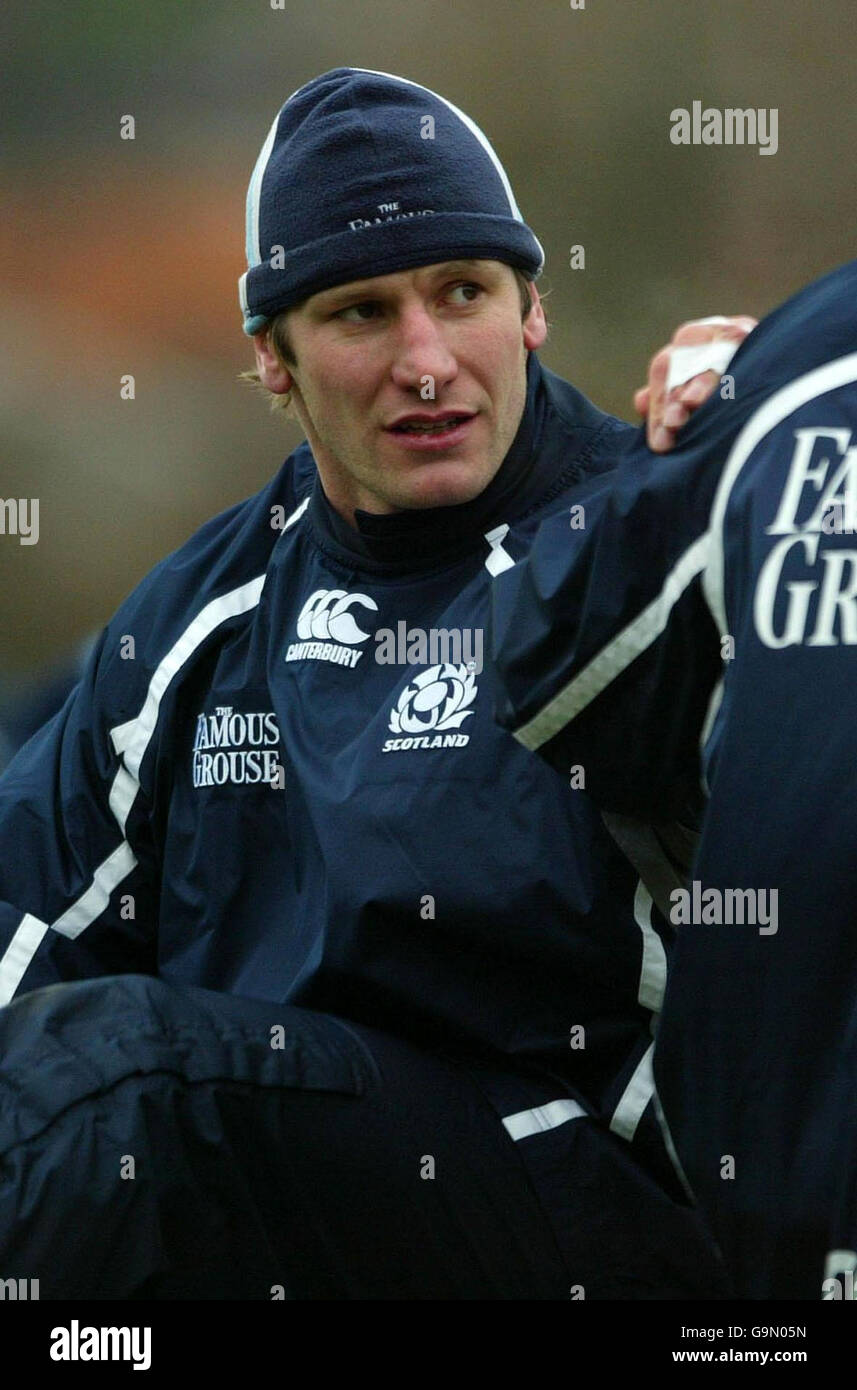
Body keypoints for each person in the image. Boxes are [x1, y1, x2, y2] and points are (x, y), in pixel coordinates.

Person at [0, 67, 747, 1299]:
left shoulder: (652, 542)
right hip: (281, 1187)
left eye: (461, 294)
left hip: (601, 1213)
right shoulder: (203, 616)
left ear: (530, 309)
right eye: (359, 312)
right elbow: (31, 923)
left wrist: (778, 441)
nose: (424, 360)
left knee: (132, 1083)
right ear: (272, 358)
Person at [491, 257, 857, 1300]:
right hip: (765, 1216)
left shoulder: (799, 360)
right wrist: (689, 444)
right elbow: (554, 679)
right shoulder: (791, 373)